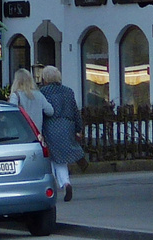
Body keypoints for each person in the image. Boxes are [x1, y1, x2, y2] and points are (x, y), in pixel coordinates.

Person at [37, 66, 85, 202]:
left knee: (51, 157)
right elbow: (76, 111)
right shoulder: (68, 91)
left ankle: (55, 185)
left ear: (45, 78)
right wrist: (78, 129)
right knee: (61, 159)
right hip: (67, 127)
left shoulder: (42, 92)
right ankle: (66, 183)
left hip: (50, 127)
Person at [9, 67, 52, 137]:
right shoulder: (39, 94)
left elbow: (11, 114)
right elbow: (50, 111)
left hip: (21, 134)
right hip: (37, 134)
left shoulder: (16, 95)